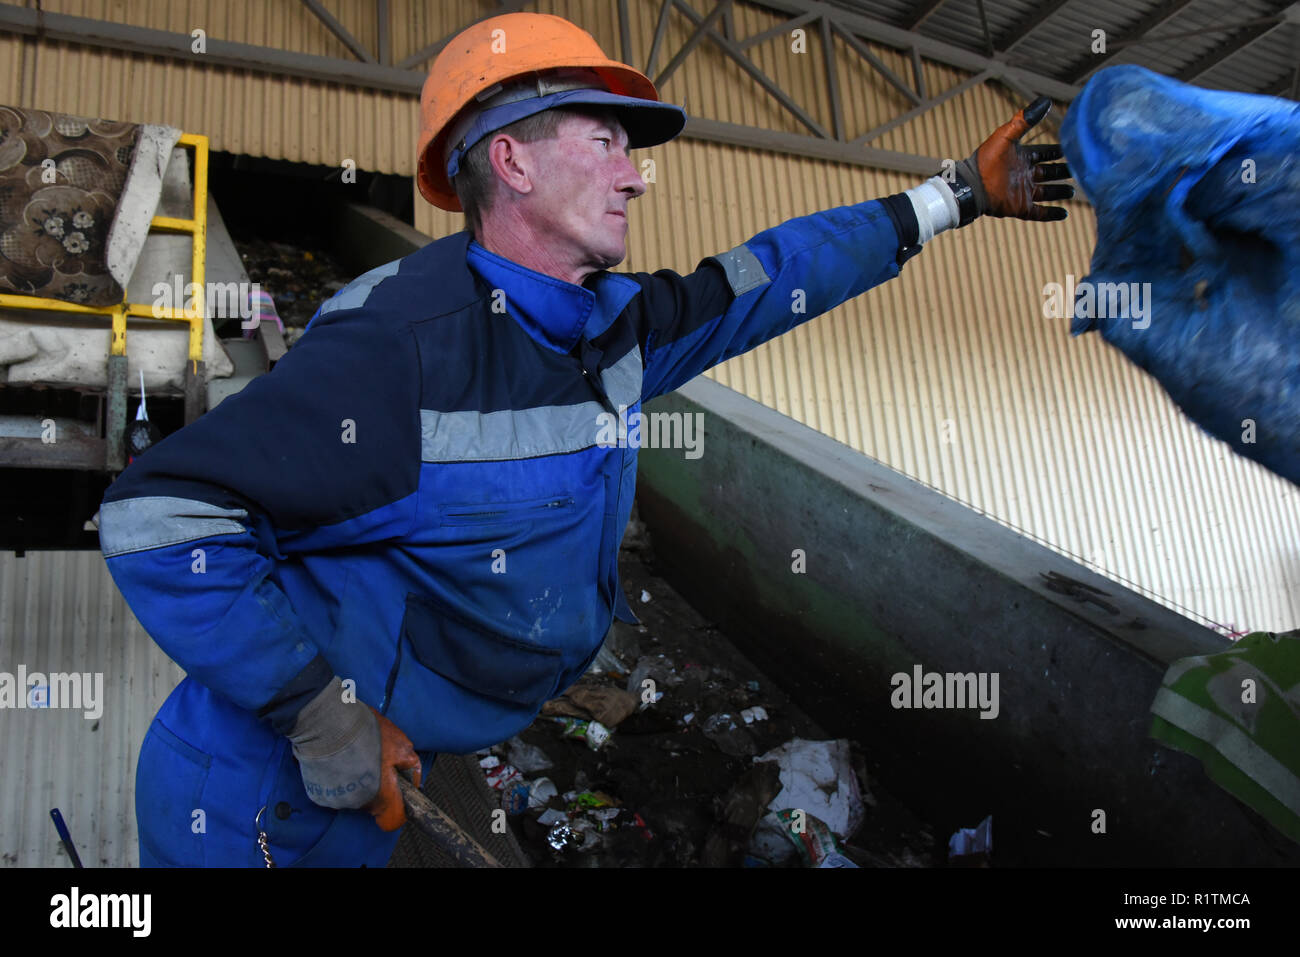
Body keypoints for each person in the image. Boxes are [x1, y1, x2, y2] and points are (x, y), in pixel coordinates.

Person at [99, 11, 1072, 867]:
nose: (633, 177)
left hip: (403, 760)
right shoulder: (398, 348)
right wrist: (321, 712)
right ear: (512, 162)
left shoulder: (614, 326)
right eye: (605, 142)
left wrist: (953, 197)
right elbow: (160, 514)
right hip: (258, 800)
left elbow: (775, 275)